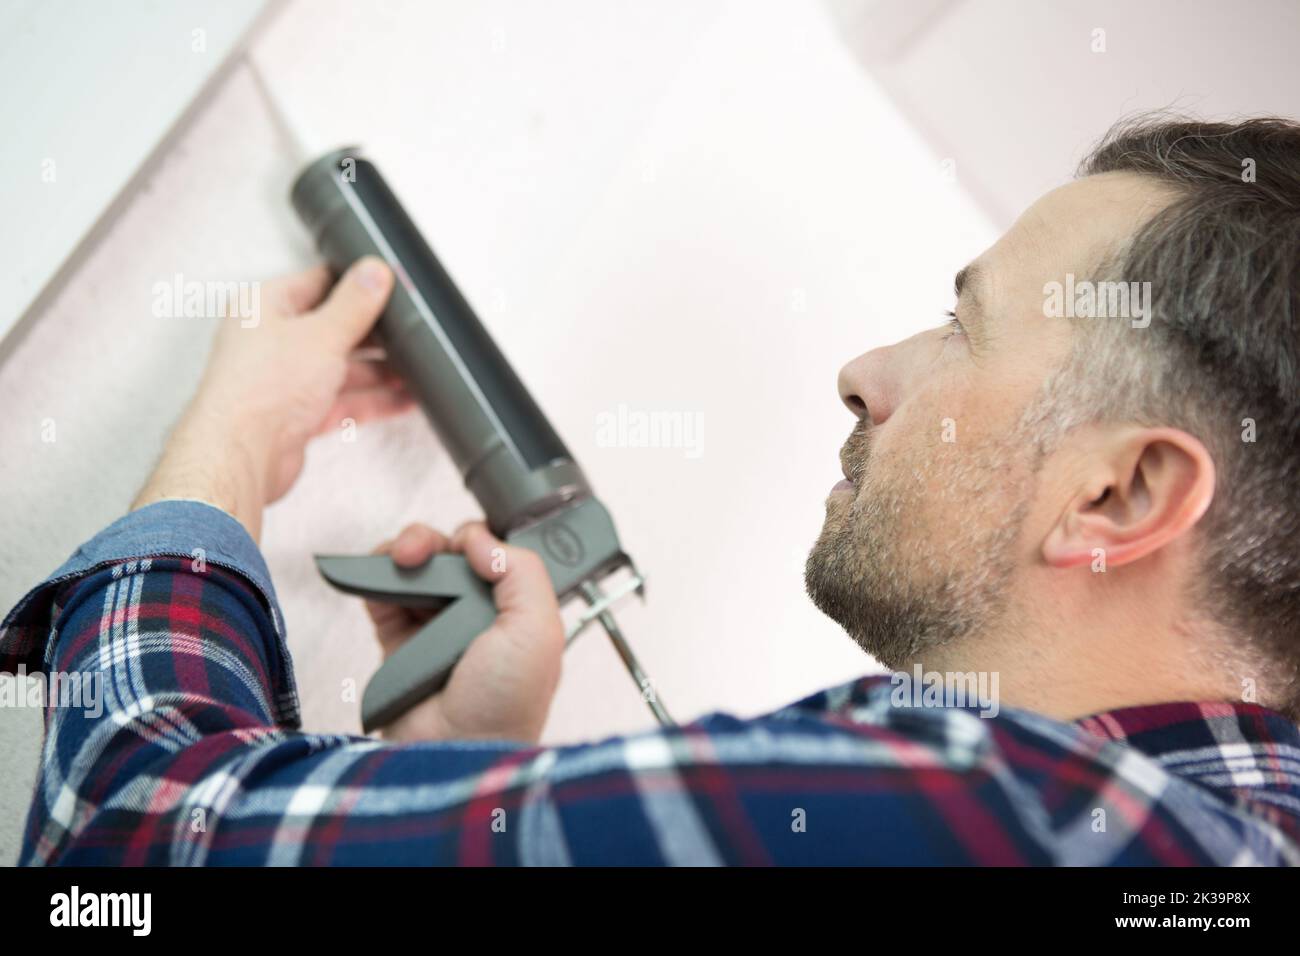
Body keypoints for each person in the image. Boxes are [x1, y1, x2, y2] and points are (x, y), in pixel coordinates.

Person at [4, 116, 1298, 865]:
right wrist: (476, 781)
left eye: (963, 326)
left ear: (1122, 493)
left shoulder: (981, 808)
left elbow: (121, 843)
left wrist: (228, 446)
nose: (866, 374)